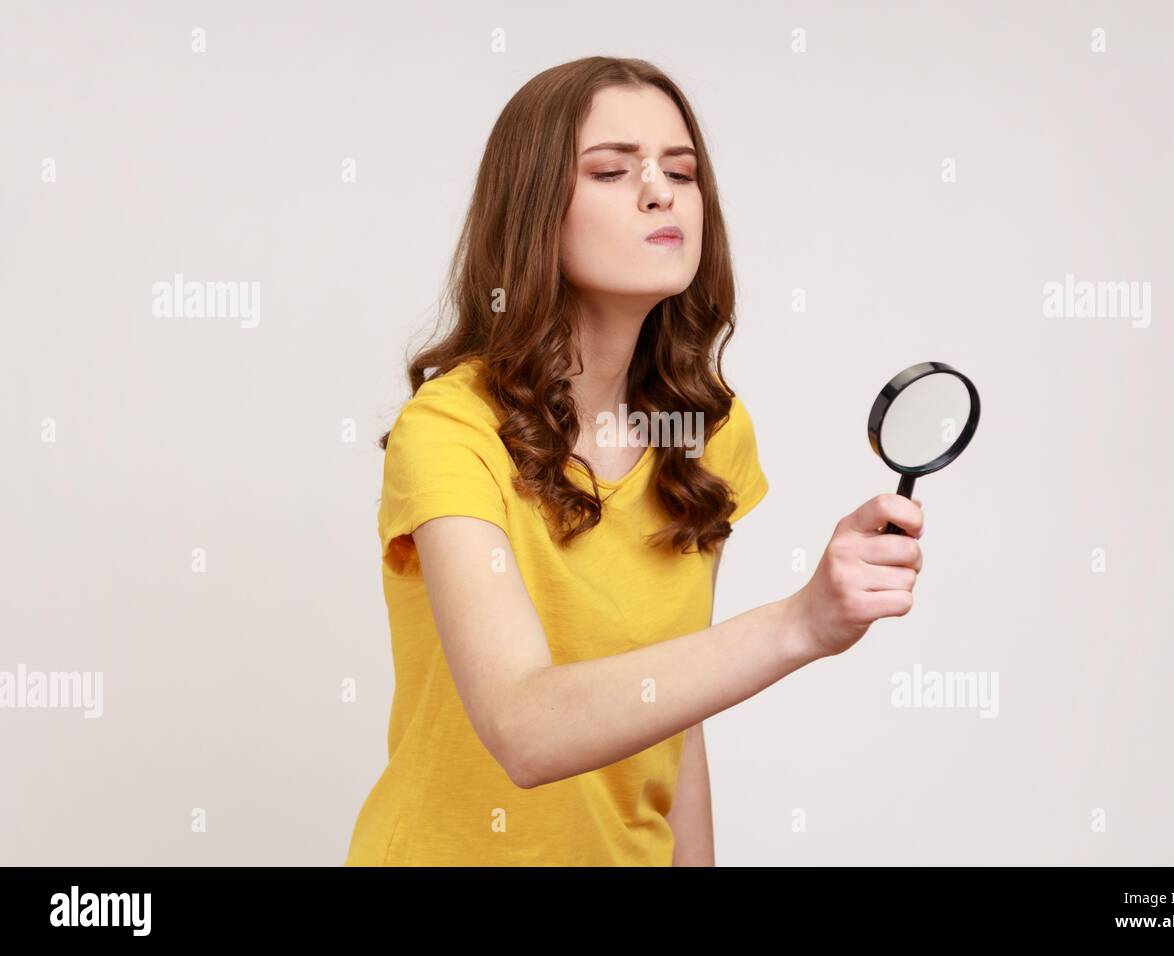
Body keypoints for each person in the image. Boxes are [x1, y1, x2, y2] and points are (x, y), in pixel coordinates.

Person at [343, 56, 924, 867]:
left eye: (681, 171)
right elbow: (525, 729)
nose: (661, 191)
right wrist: (802, 622)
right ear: (534, 211)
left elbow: (673, 714)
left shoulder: (707, 433)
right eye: (614, 170)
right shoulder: (450, 427)